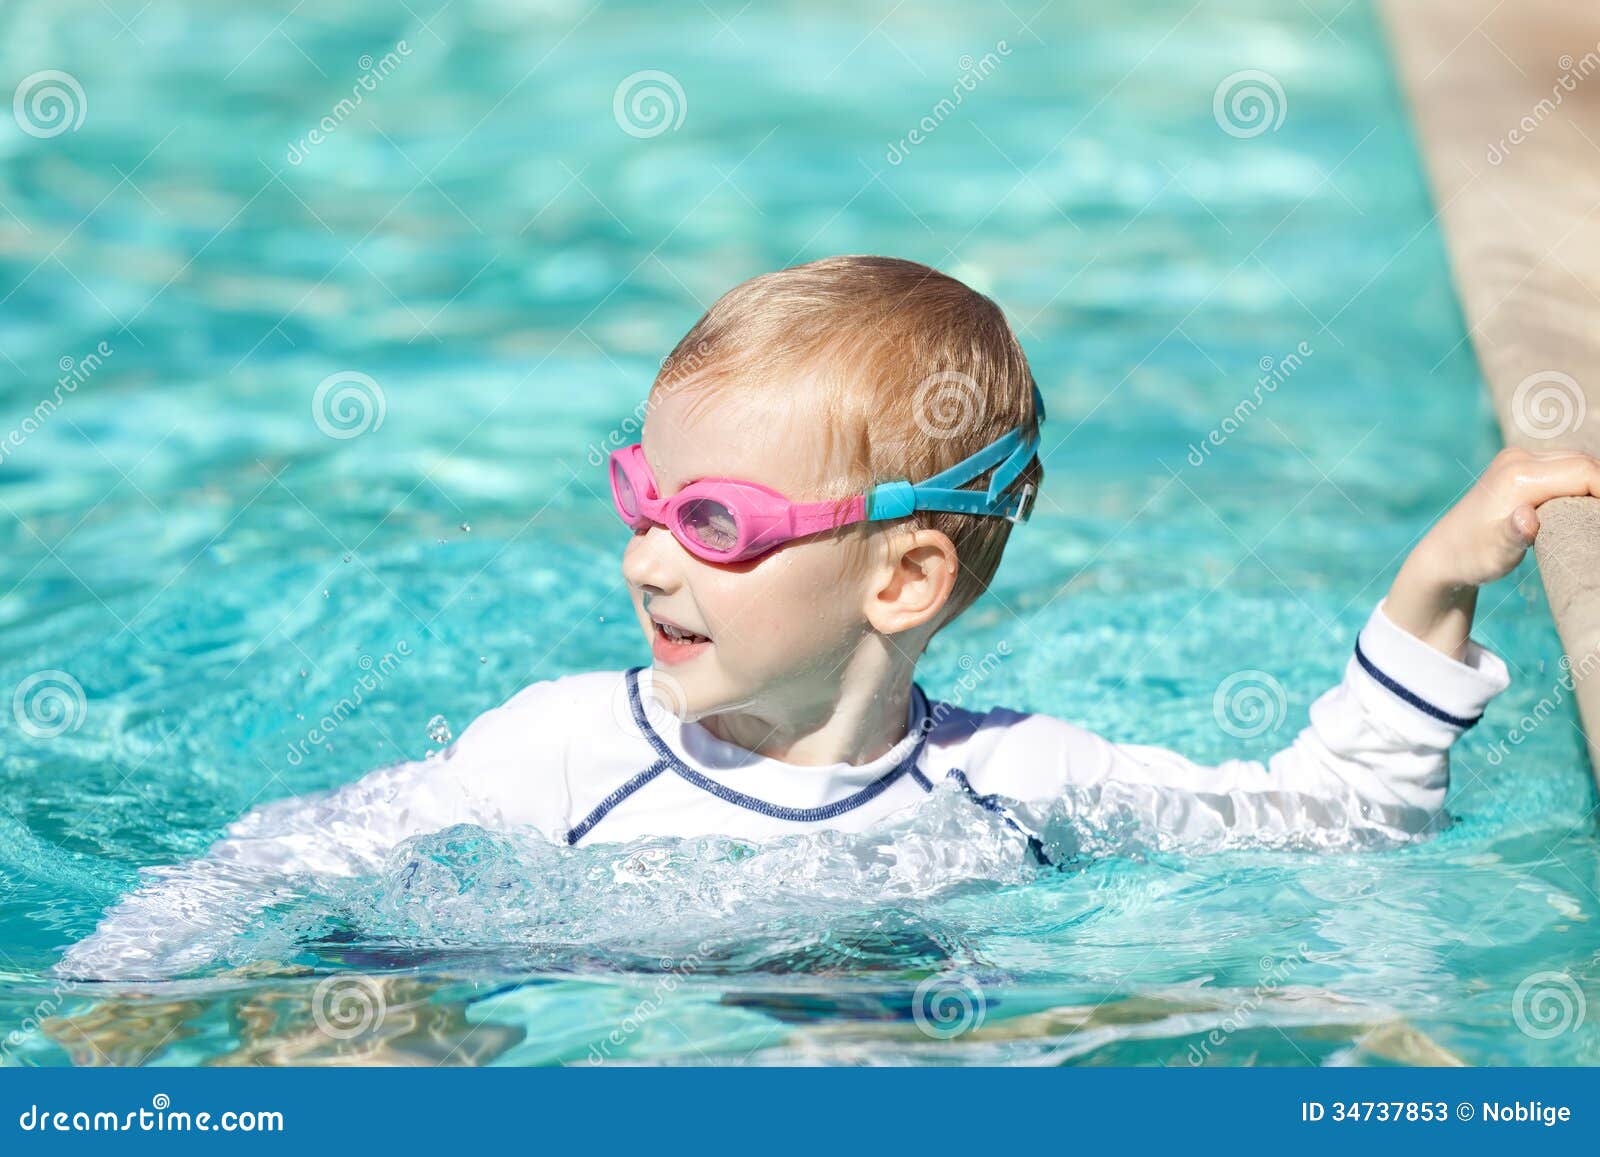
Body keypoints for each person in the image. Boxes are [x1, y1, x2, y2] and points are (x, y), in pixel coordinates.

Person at [56, 255, 1600, 980]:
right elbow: (275, 853)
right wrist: (118, 996)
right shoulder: (556, 752)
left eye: (712, 523)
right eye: (641, 500)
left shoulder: (1024, 787)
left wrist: (1435, 590)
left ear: (903, 581)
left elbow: (1336, 828)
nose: (650, 560)